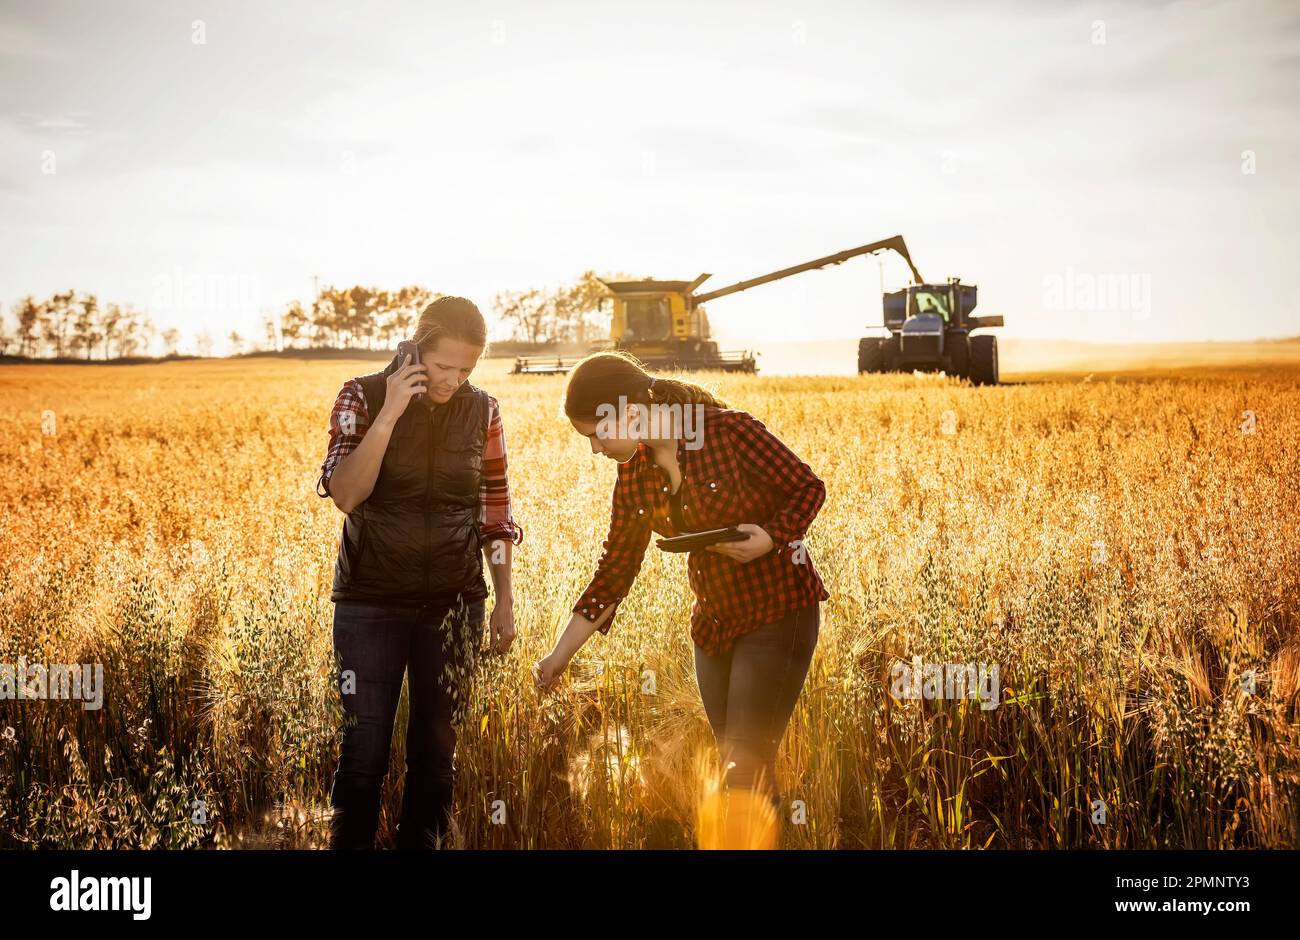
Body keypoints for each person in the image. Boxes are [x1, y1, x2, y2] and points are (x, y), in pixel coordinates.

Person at [533, 351, 828, 823]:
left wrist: (773, 537)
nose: (594, 449)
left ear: (627, 411)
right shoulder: (632, 473)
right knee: (739, 760)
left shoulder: (728, 433)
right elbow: (614, 572)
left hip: (777, 612)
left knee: (743, 764)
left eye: (594, 434)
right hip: (712, 626)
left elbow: (808, 487)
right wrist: (557, 658)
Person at [316, 295, 523, 849]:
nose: (453, 380)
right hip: (370, 602)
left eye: (466, 369)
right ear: (414, 350)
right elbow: (346, 494)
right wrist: (390, 414)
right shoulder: (362, 395)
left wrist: (503, 599)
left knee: (437, 757)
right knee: (364, 752)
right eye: (442, 366)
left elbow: (495, 511)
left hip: (456, 603)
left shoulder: (484, 410)